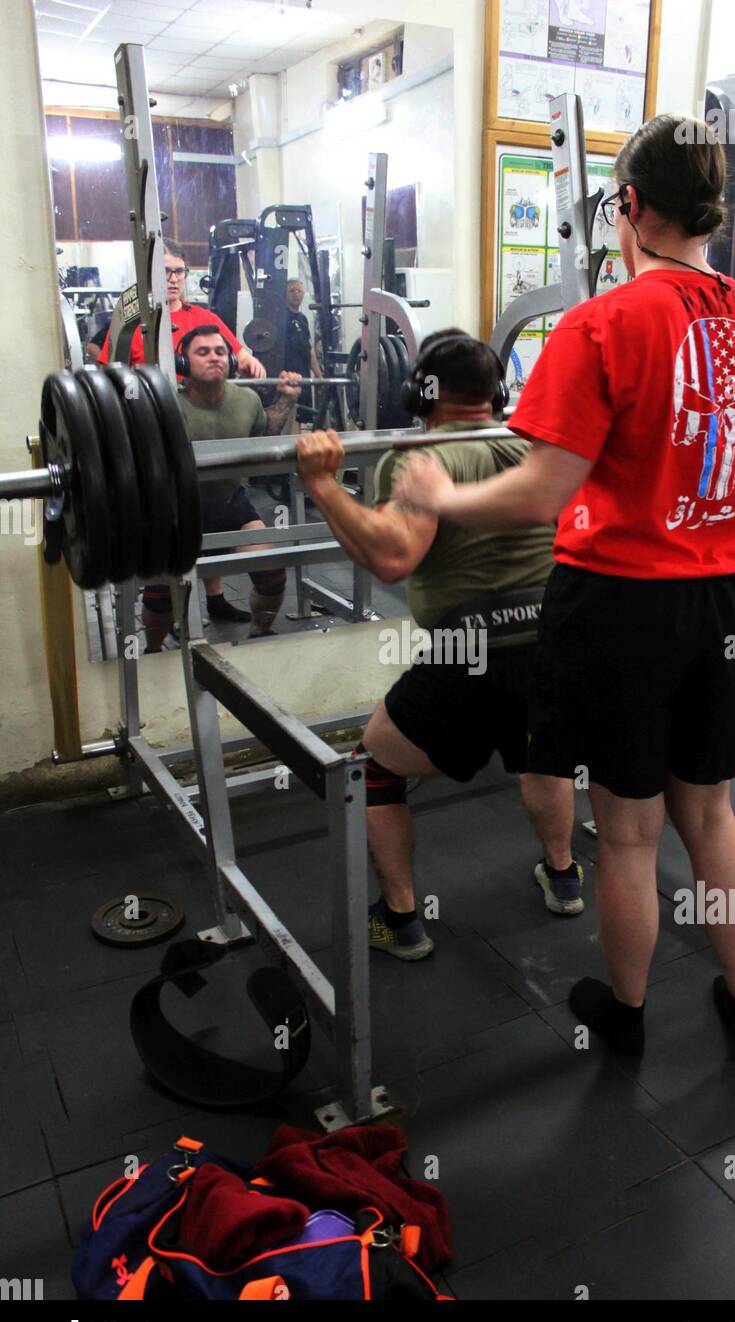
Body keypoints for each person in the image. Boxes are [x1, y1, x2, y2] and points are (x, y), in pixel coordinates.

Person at [395, 114, 735, 1052]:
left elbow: (541, 491)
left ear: (630, 206)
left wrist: (436, 494)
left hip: (624, 603)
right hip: (731, 598)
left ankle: (625, 1017)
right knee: (712, 816)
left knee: (626, 833)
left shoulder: (602, 324)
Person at [294, 330, 584, 961]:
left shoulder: (421, 455)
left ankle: (399, 918)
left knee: (373, 766)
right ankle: (563, 876)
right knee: (542, 759)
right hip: (553, 643)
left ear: (416, 392)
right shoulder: (529, 447)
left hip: (469, 652)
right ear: (495, 393)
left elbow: (394, 556)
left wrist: (322, 485)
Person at [140, 326, 300, 652]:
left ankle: (260, 635)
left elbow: (261, 436)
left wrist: (285, 398)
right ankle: (154, 650)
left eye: (220, 351)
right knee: (159, 599)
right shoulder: (165, 404)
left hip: (230, 504)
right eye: (203, 352)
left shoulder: (248, 399)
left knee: (272, 577)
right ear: (183, 361)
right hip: (176, 511)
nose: (215, 357)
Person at [99, 239, 266, 379]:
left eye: (179, 271)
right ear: (149, 274)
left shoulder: (205, 319)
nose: (173, 279)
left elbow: (243, 359)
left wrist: (253, 367)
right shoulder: (130, 324)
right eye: (165, 271)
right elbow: (109, 377)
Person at [282, 278, 322, 420]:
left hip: (303, 379)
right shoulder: (280, 318)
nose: (296, 294)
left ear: (303, 294)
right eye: (291, 291)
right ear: (285, 294)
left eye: (299, 291)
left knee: (301, 418)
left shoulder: (303, 319)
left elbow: (309, 350)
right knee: (289, 417)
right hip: (287, 380)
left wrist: (319, 375)